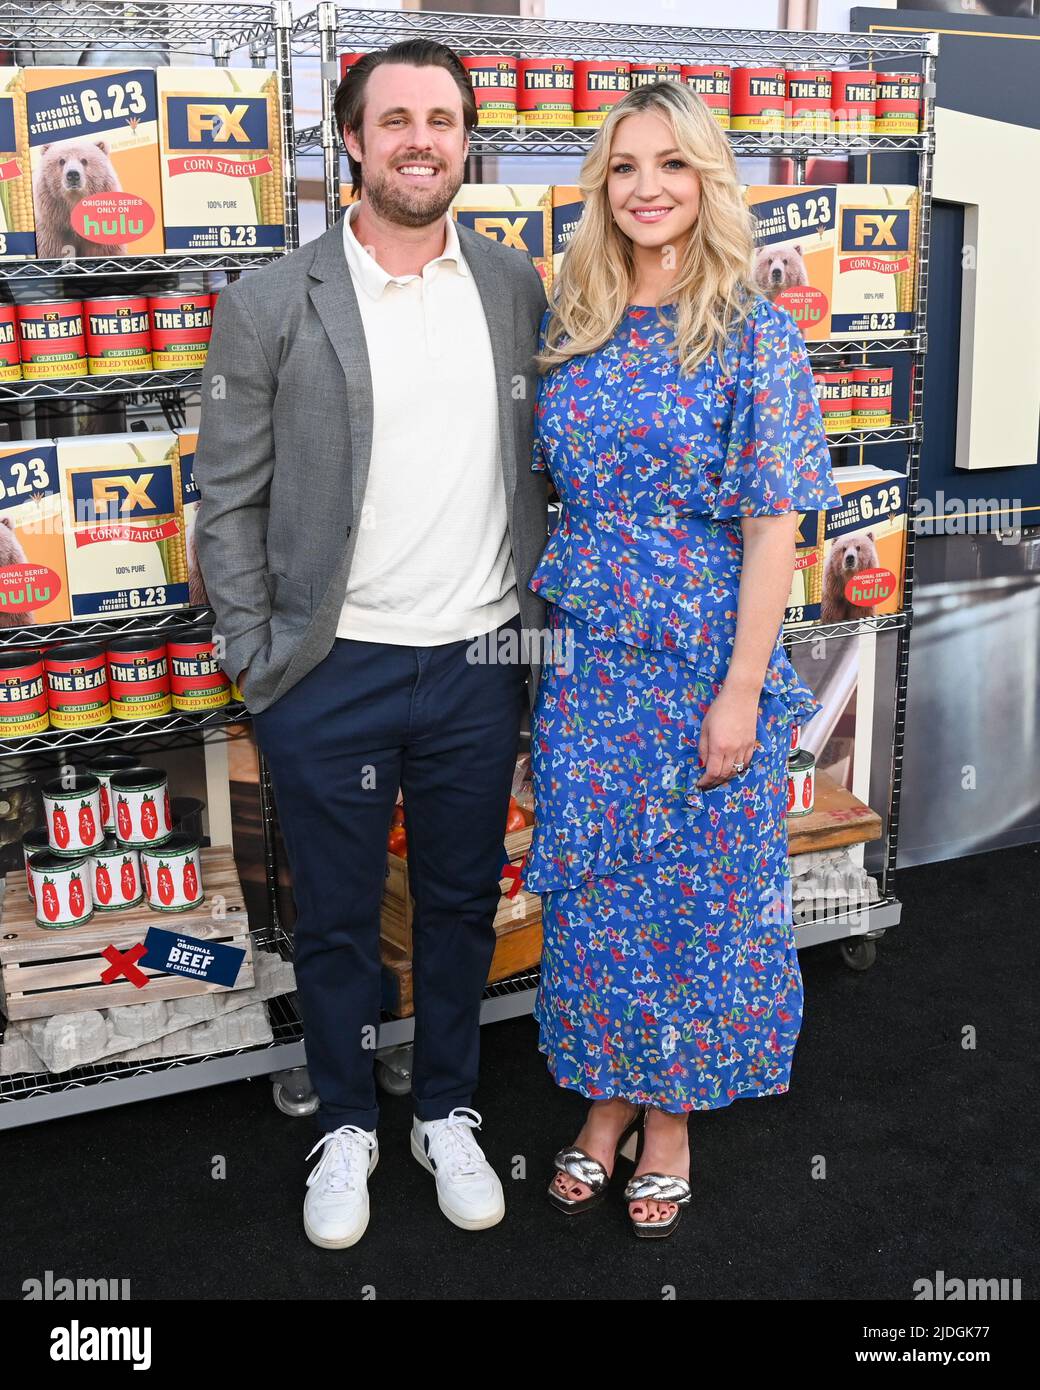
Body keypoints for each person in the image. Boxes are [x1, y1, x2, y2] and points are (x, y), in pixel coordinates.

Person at [192, 39, 548, 1248]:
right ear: (350, 139)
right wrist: (260, 660)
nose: (419, 140)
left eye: (441, 120)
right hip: (326, 672)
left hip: (476, 663)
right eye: (394, 118)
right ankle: (343, 1119)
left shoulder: (513, 289)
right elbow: (227, 503)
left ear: (464, 140)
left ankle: (444, 1105)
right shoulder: (268, 302)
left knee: (458, 903)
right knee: (338, 919)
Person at [523, 80, 844, 1238]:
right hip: (585, 664)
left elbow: (775, 526)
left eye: (669, 165)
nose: (645, 187)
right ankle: (602, 1100)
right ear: (599, 188)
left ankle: (668, 1119)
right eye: (621, 167)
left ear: (706, 182)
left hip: (703, 663)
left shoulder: (750, 329)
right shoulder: (576, 318)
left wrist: (743, 692)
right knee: (599, 896)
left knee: (698, 908)